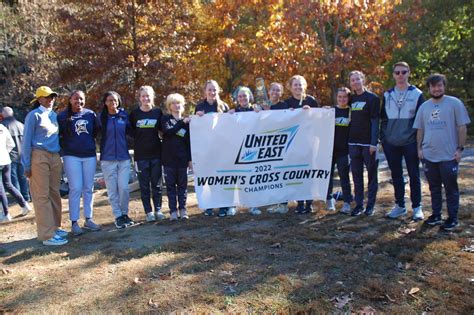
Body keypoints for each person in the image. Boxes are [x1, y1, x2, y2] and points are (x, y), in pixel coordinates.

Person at [413, 73, 470, 231]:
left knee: (451, 188)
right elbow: (420, 129)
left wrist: (460, 149)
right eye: (433, 86)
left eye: (439, 85)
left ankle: (452, 218)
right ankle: (436, 215)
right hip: (429, 155)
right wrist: (419, 148)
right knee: (434, 187)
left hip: (449, 155)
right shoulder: (424, 107)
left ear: (444, 86)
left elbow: (462, 127)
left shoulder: (454, 103)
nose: (436, 89)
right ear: (429, 88)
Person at [22, 86, 67, 246]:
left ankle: (55, 227)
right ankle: (46, 235)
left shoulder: (53, 115)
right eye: (47, 97)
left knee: (54, 192)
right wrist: (26, 164)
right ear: (39, 99)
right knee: (41, 196)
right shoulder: (33, 116)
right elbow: (26, 141)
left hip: (54, 156)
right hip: (39, 156)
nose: (50, 100)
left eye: (52, 97)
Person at [381, 62, 425, 221]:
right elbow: (383, 119)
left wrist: (420, 142)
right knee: (396, 175)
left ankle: (417, 207)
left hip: (410, 142)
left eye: (403, 72)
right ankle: (400, 206)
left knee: (414, 175)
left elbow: (422, 120)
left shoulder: (417, 94)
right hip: (391, 142)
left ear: (409, 73)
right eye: (397, 72)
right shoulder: (387, 94)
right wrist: (384, 139)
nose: (400, 75)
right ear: (393, 75)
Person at [58, 90, 101, 235]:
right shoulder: (63, 116)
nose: (79, 102)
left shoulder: (90, 115)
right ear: (70, 100)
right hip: (71, 156)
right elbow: (60, 136)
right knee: (75, 188)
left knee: (88, 187)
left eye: (81, 99)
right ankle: (74, 222)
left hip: (89, 155)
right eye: (76, 99)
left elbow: (95, 132)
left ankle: (89, 219)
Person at [195, 80, 237, 217]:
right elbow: (196, 128)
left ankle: (224, 205)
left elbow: (230, 127)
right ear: (205, 91)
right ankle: (210, 205)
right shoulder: (199, 107)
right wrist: (198, 118)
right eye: (209, 90)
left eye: (214, 90)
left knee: (223, 178)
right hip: (207, 149)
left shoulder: (224, 106)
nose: (212, 92)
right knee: (210, 179)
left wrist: (232, 116)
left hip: (222, 148)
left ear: (218, 91)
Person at [284, 75, 320, 214]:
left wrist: (311, 112)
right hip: (293, 144)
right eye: (295, 85)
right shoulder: (287, 103)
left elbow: (319, 118)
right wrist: (289, 114)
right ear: (290, 87)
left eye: (300, 85)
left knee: (308, 172)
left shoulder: (311, 100)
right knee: (297, 174)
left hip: (309, 143)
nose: (298, 87)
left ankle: (309, 203)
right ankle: (299, 203)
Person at [99, 91, 134, 229]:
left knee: (124, 188)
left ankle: (125, 214)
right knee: (112, 190)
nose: (112, 103)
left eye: (115, 100)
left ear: (118, 101)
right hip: (107, 159)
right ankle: (118, 216)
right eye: (109, 100)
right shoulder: (101, 118)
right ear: (105, 102)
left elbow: (132, 132)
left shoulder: (124, 116)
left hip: (124, 158)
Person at [347, 71, 380, 217]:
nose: (355, 82)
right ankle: (359, 204)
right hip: (353, 143)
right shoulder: (350, 99)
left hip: (368, 145)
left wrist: (374, 142)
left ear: (363, 80)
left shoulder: (372, 98)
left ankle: (370, 206)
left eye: (357, 79)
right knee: (356, 176)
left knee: (372, 176)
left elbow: (375, 121)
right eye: (352, 80)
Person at [129, 86, 164, 222]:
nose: (146, 98)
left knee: (157, 184)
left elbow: (163, 130)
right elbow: (130, 132)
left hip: (156, 154)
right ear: (140, 98)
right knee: (144, 186)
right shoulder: (135, 114)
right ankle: (148, 212)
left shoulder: (157, 112)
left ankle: (158, 209)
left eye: (148, 96)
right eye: (143, 96)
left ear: (152, 97)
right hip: (141, 155)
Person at [161, 93, 191, 221]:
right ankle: (173, 211)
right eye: (173, 103)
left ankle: (183, 209)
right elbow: (168, 131)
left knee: (183, 187)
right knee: (171, 187)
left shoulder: (187, 122)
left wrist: (190, 159)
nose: (176, 105)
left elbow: (189, 142)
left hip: (182, 160)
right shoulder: (165, 120)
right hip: (168, 160)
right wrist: (181, 123)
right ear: (169, 106)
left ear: (182, 105)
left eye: (178, 103)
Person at [263, 82, 290, 214]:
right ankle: (275, 203)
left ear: (281, 93)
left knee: (281, 176)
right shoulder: (263, 105)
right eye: (273, 90)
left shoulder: (284, 105)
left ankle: (283, 204)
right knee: (270, 176)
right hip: (266, 146)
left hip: (281, 145)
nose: (275, 92)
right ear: (268, 91)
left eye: (278, 90)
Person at [234, 87, 262, 215]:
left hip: (254, 147)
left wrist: (260, 113)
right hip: (238, 148)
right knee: (239, 177)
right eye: (240, 96)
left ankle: (254, 205)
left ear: (249, 96)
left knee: (254, 177)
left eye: (244, 96)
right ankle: (237, 204)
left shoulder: (256, 109)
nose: (242, 98)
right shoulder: (234, 111)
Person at [326, 87, 352, 214]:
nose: (342, 99)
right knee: (328, 176)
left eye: (345, 97)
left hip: (344, 151)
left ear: (348, 98)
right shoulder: (330, 111)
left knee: (344, 176)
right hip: (329, 150)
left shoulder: (351, 112)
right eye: (340, 97)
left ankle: (347, 202)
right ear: (336, 98)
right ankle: (329, 199)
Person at [0, 124, 32, 222]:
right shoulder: (2, 127)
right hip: (6, 160)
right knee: (9, 185)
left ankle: (5, 213)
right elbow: (11, 144)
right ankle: (24, 204)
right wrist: (4, 152)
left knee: (1, 189)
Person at [1, 107, 31, 204]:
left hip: (10, 156)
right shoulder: (21, 125)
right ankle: (26, 197)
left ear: (2, 114)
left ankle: (19, 200)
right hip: (22, 155)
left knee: (13, 180)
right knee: (23, 178)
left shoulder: (3, 126)